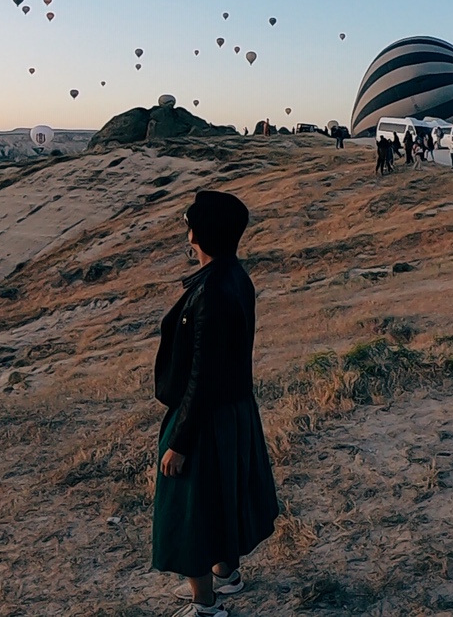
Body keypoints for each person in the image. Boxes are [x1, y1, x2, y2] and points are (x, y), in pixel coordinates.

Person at [155, 191, 279, 615]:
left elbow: (201, 376)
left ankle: (204, 604)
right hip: (232, 410)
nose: (187, 235)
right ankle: (227, 576)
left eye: (190, 226)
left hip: (205, 415)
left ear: (201, 233)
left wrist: (180, 441)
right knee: (223, 497)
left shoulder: (211, 291)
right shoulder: (235, 276)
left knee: (192, 511)